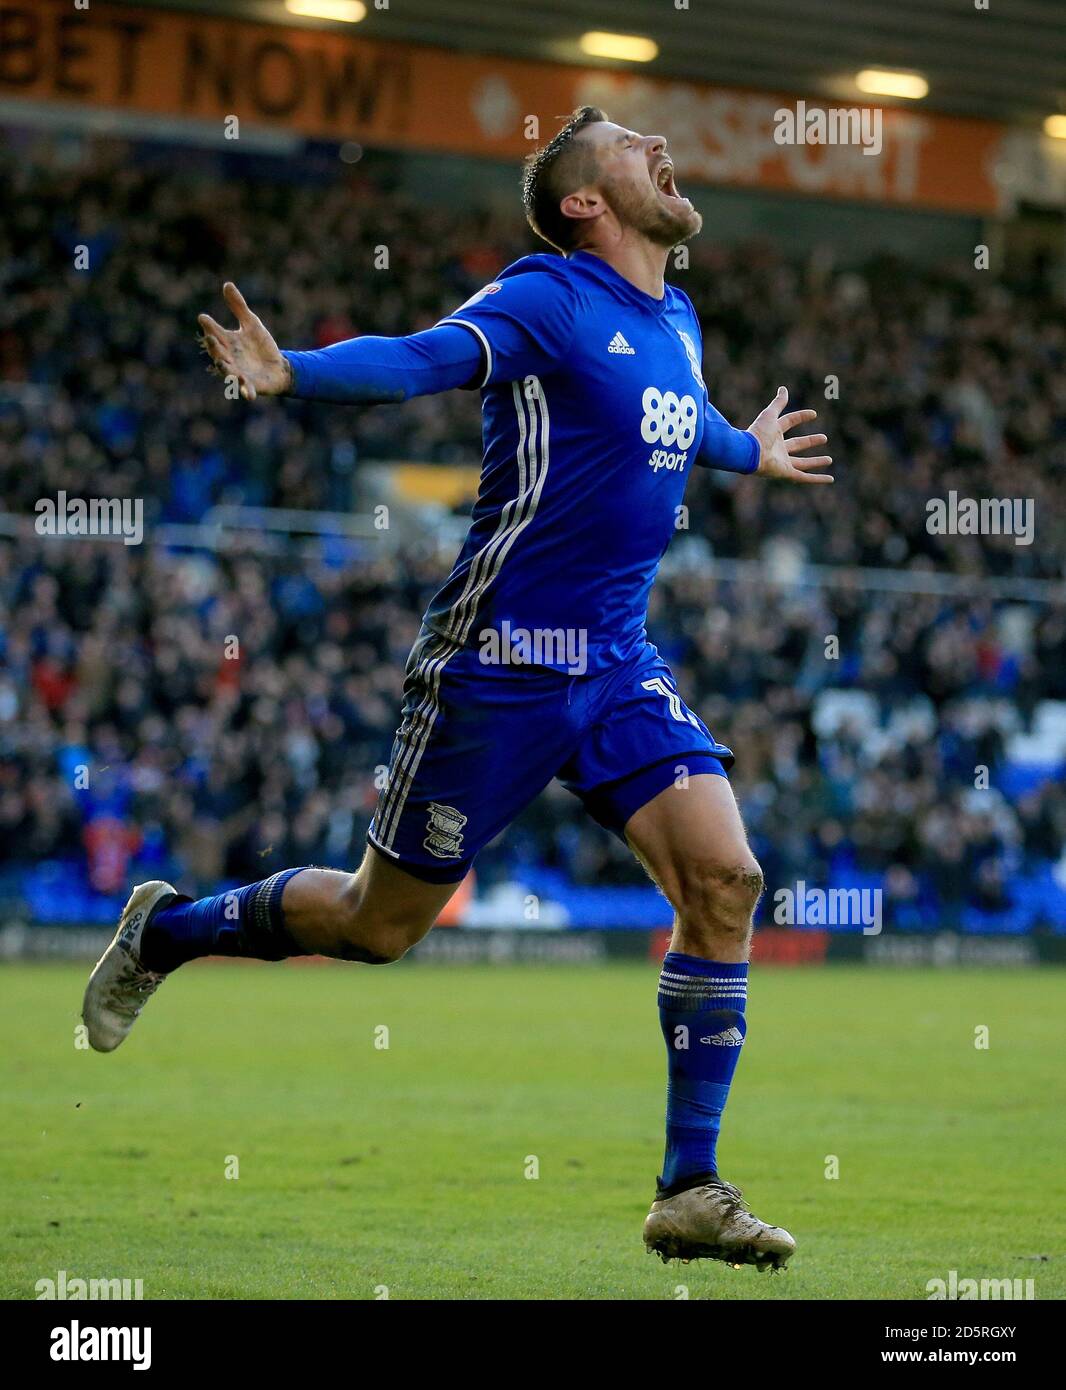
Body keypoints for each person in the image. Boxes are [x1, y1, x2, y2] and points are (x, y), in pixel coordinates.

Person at [84, 107, 833, 1270]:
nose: (658, 149)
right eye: (634, 143)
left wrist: (748, 448)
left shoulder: (675, 315)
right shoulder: (549, 296)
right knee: (377, 925)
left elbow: (674, 433)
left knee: (728, 879)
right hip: (499, 660)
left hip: (617, 661)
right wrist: (296, 374)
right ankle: (168, 930)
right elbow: (424, 355)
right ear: (585, 201)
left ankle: (690, 1187)